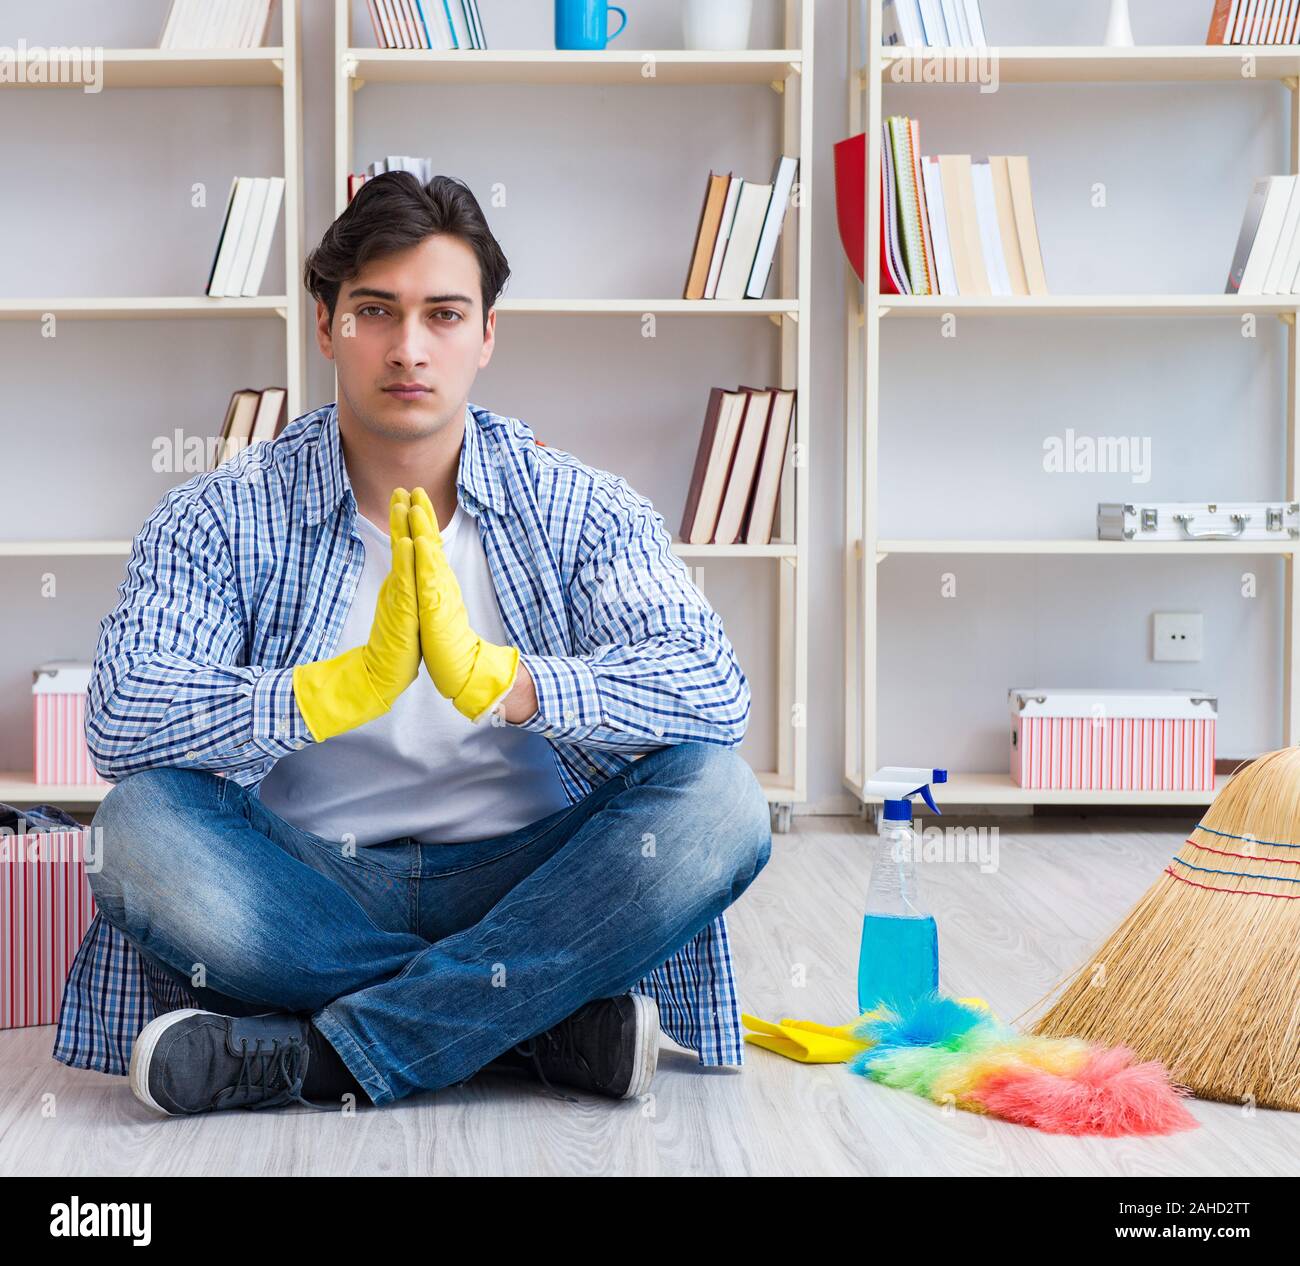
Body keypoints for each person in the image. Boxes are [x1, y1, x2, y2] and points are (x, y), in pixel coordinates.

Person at [81, 172, 772, 1116]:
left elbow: (713, 693)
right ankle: (531, 1023)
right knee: (139, 831)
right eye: (376, 311)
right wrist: (323, 695)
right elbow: (122, 719)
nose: (409, 349)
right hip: (306, 881)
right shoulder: (220, 514)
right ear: (326, 326)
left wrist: (513, 682)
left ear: (487, 334)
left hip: (530, 881)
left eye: (444, 313)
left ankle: (320, 1057)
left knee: (720, 802)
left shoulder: (577, 506)